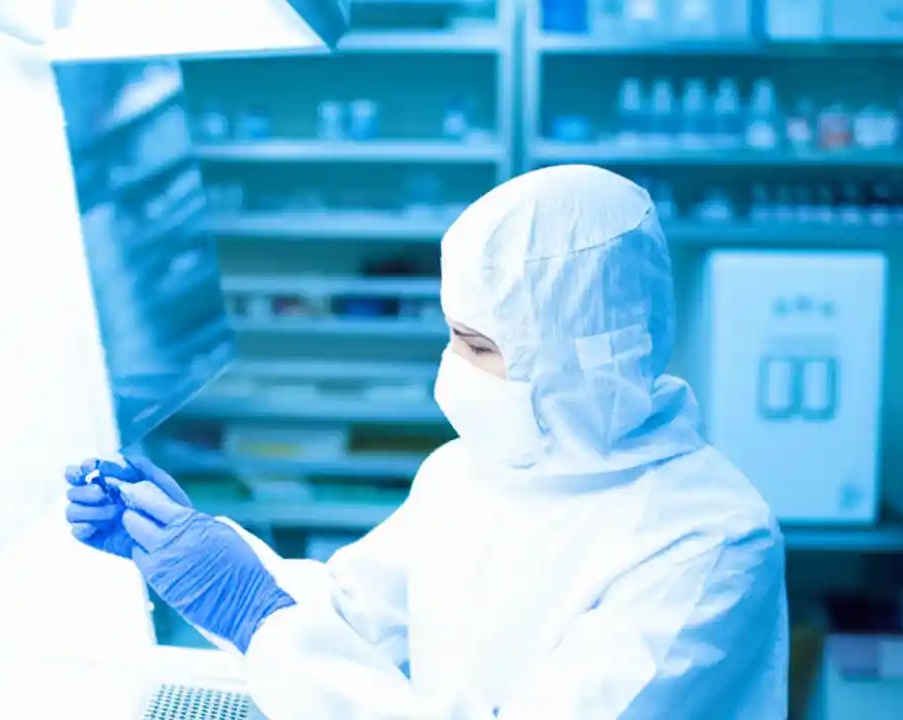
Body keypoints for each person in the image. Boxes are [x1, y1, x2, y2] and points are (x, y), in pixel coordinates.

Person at [65, 165, 787, 719]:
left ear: (586, 362)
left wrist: (252, 612)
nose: (451, 367)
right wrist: (197, 551)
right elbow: (353, 617)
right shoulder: (470, 471)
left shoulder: (708, 542)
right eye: (453, 335)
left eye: (479, 346)